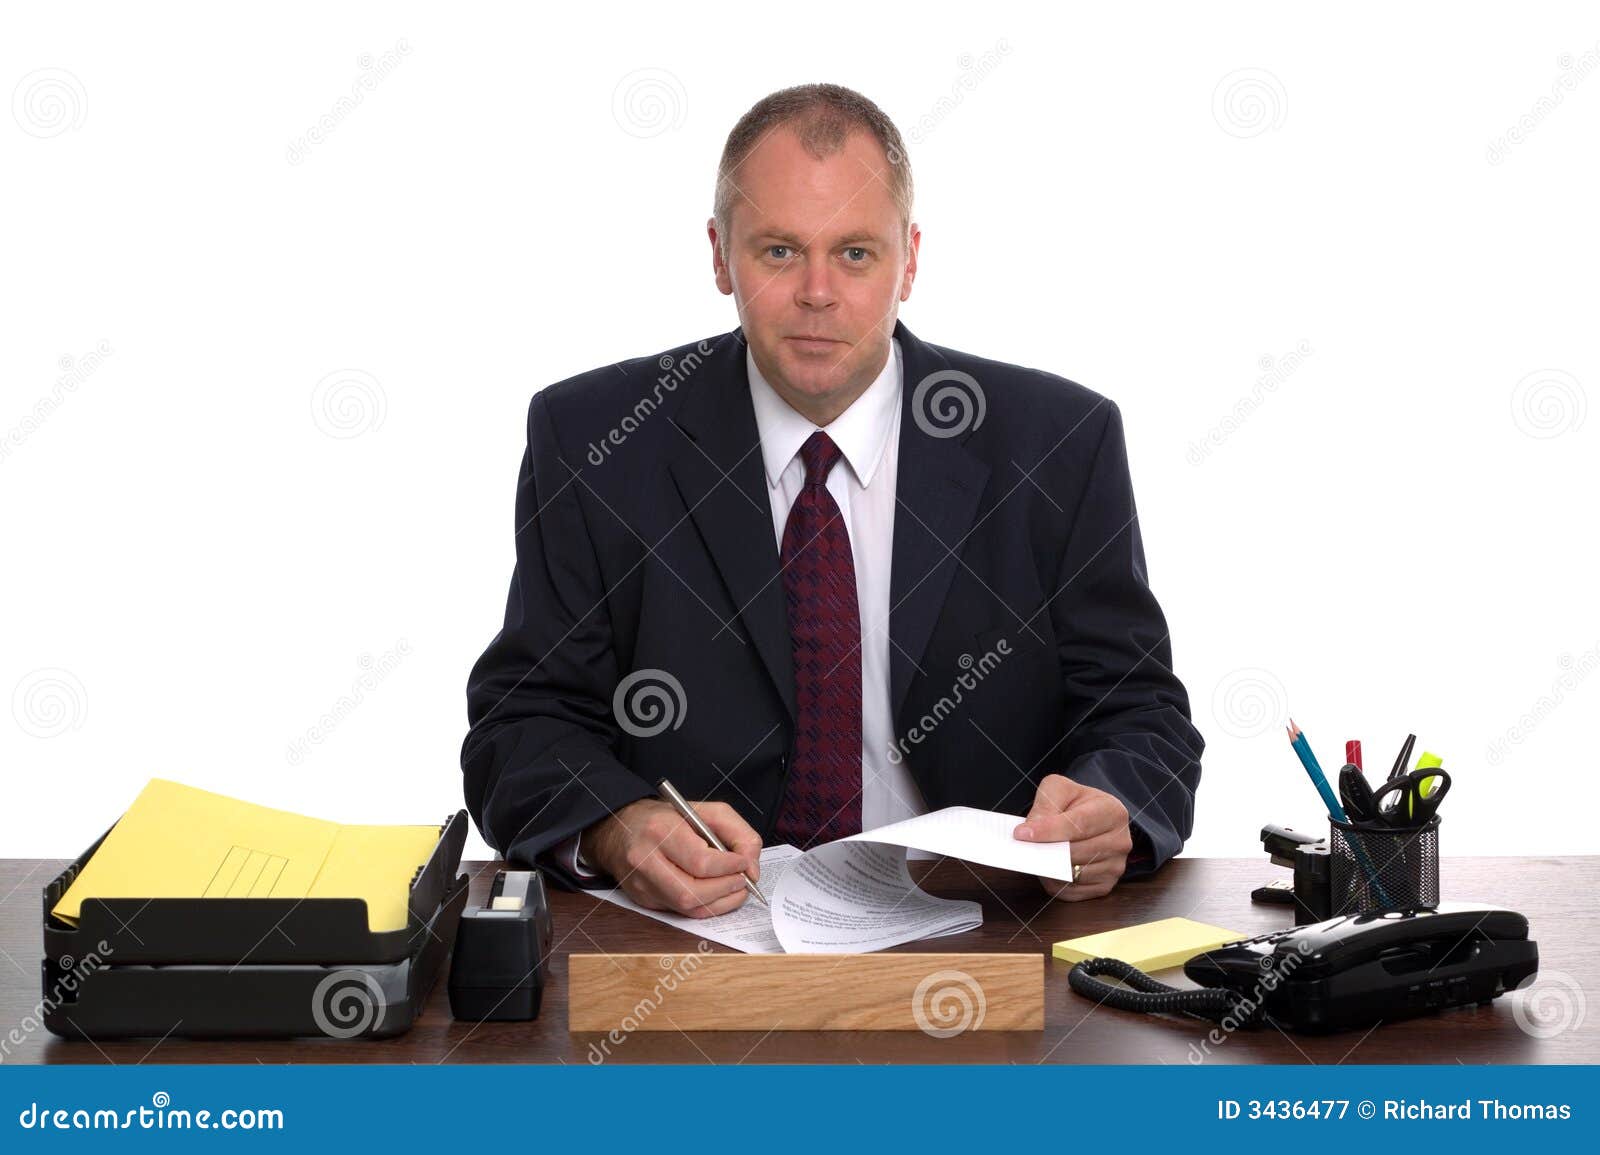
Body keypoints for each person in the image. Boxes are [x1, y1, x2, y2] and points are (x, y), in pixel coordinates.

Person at [462, 83, 1202, 919]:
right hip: (699, 940)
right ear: (718, 254)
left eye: (855, 253)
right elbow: (520, 726)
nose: (818, 291)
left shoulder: (1059, 443)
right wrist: (615, 827)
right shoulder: (596, 438)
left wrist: (1116, 811)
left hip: (987, 933)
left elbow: (1142, 714)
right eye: (779, 251)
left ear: (910, 260)